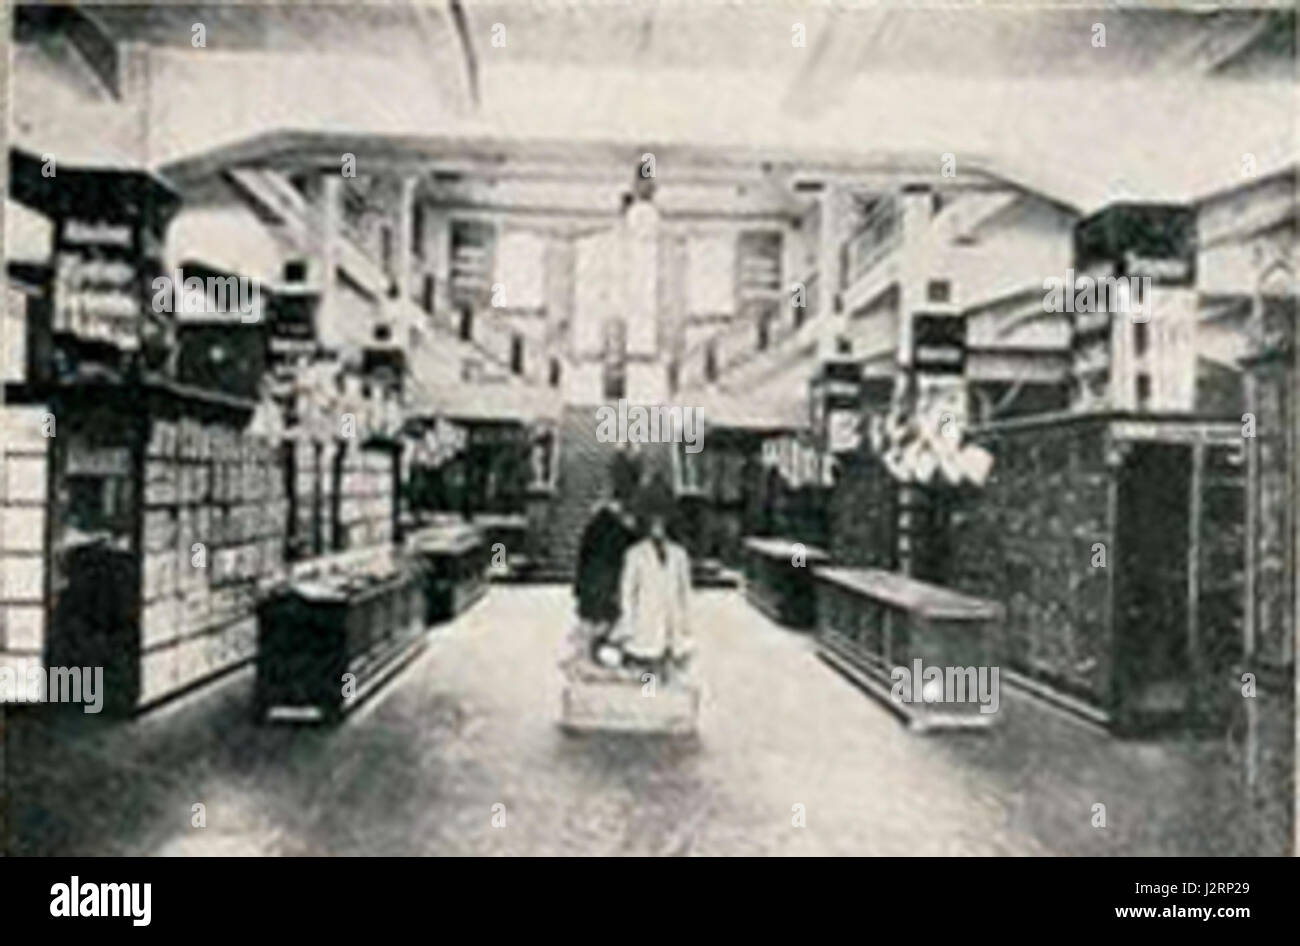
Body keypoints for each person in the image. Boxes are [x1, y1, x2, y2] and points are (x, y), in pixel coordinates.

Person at [611, 505, 693, 684]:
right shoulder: (635, 554)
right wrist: (628, 619)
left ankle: (668, 702)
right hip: (645, 616)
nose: (658, 528)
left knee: (670, 664)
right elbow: (627, 590)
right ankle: (648, 697)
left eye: (661, 524)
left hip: (671, 618)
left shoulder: (679, 554)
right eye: (654, 524)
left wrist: (685, 619)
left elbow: (685, 590)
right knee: (648, 665)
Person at [571, 493, 637, 663]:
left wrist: (579, 585)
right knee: (608, 619)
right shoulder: (622, 530)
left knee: (596, 620)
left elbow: (583, 557)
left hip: (594, 582)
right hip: (610, 582)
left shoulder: (593, 528)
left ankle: (595, 653)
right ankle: (604, 652)